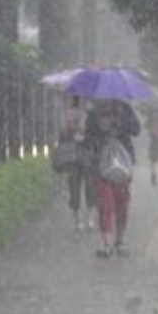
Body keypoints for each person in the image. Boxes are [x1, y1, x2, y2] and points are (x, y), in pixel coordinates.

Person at [85, 100, 140, 258]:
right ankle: (106, 243)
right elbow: (87, 138)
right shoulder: (94, 111)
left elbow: (136, 130)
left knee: (122, 204)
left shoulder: (125, 108)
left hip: (123, 163)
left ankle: (120, 241)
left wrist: (120, 125)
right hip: (101, 164)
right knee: (105, 203)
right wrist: (101, 132)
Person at [59, 95, 96, 229]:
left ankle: (84, 219)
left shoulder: (89, 114)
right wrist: (72, 130)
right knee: (78, 187)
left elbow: (93, 134)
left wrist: (83, 134)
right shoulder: (68, 115)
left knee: (86, 186)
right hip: (75, 155)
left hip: (83, 154)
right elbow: (62, 134)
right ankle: (81, 219)